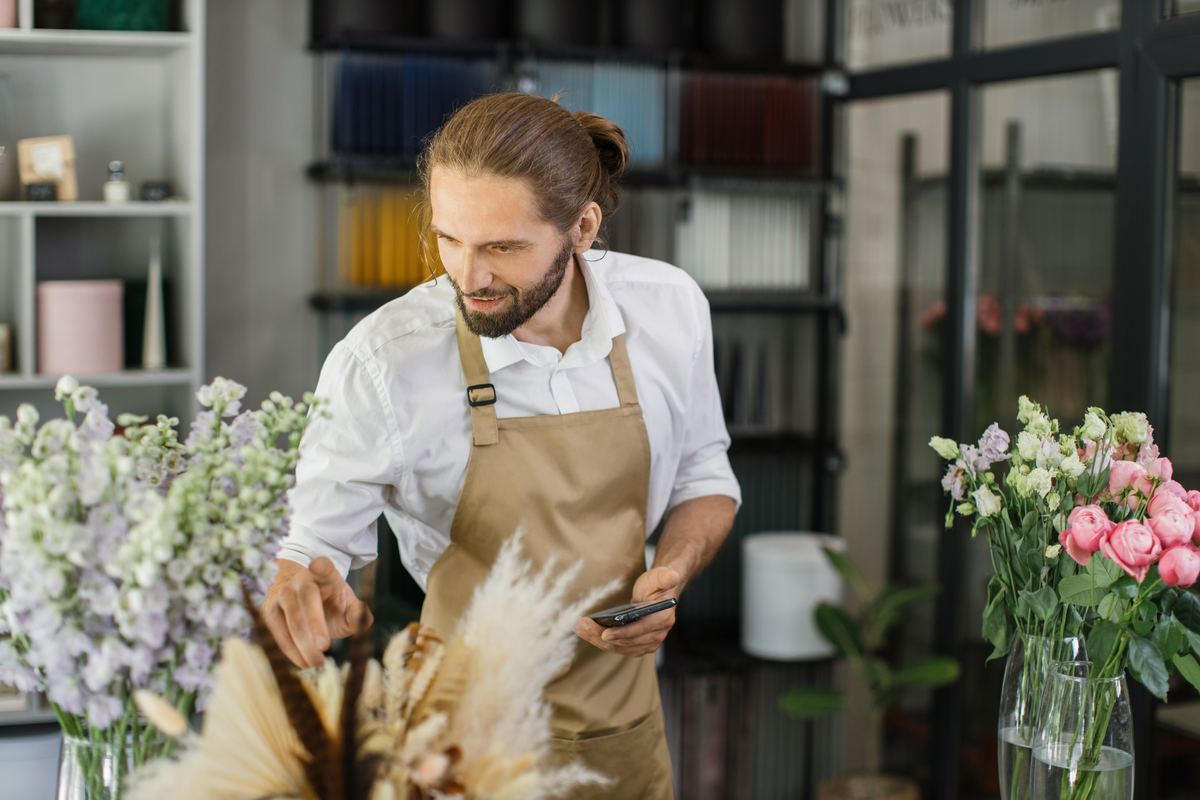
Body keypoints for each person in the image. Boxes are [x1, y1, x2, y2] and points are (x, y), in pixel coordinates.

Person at [264, 92, 740, 798]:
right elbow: (314, 545)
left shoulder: (667, 308)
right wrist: (303, 588)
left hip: (621, 732)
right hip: (458, 746)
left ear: (583, 228)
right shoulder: (383, 361)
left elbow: (705, 473)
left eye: (502, 247)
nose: (469, 275)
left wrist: (671, 571)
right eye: (447, 239)